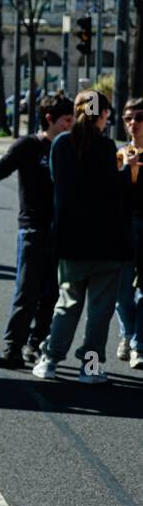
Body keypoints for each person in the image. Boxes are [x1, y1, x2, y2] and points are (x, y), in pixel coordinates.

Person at [0, 92, 74, 368]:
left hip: (62, 233)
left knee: (52, 293)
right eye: (66, 120)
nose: (71, 124)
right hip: (32, 230)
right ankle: (13, 348)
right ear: (49, 119)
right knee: (27, 291)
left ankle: (36, 343)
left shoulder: (71, 148)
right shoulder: (27, 146)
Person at [33, 89, 132, 383]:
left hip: (72, 240)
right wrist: (128, 169)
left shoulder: (63, 144)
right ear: (102, 115)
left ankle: (50, 360)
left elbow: (58, 186)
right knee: (99, 313)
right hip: (108, 243)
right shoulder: (106, 147)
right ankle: (89, 367)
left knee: (68, 304)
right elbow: (116, 191)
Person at [114, 97, 143, 369]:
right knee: (121, 289)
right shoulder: (119, 155)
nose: (133, 123)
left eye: (139, 117)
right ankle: (128, 333)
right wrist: (128, 170)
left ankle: (138, 343)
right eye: (128, 118)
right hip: (123, 229)